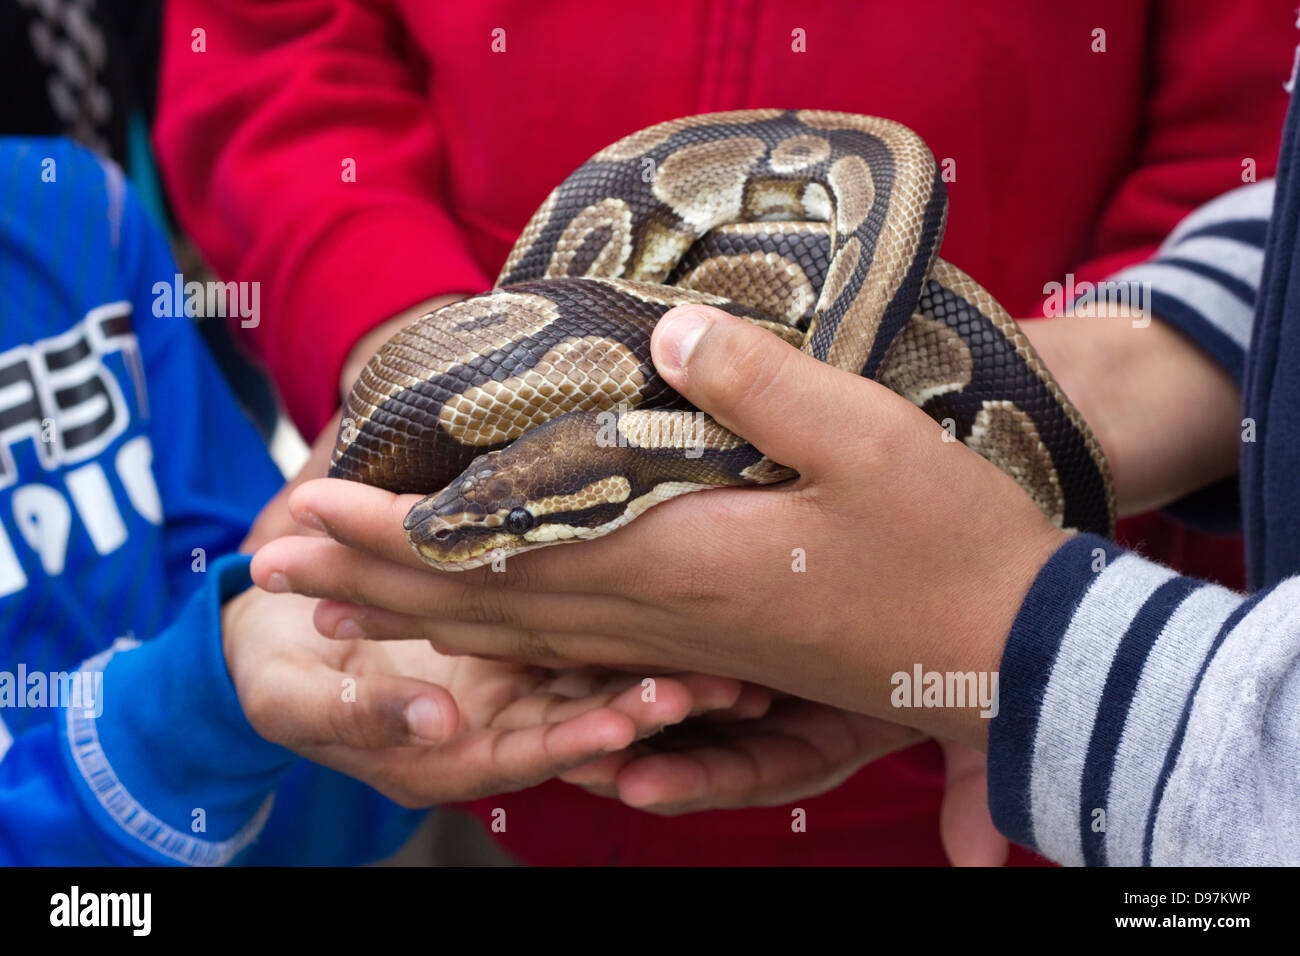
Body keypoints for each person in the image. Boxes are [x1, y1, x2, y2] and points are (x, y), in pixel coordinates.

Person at [154, 0, 1295, 866]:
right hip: (518, 765)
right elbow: (273, 52)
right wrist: (412, 352)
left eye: (504, 506)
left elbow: (1251, 135)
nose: (475, 519)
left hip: (1063, 767)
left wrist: (1035, 622)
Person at [0, 137, 745, 864]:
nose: (436, 526)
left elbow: (230, 558)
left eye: (515, 521)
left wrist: (259, 684)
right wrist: (209, 703)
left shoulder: (73, 205)